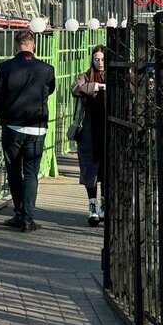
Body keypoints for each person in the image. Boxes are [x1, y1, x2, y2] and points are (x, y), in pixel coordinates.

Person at [0, 29, 56, 232]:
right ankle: (28, 219)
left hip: (12, 127)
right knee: (31, 173)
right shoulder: (46, 69)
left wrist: (4, 120)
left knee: (13, 171)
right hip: (36, 129)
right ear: (33, 45)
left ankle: (18, 213)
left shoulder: (6, 67)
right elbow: (50, 89)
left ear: (15, 46)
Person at [71, 46, 106, 226]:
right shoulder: (86, 76)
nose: (99, 63)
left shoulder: (115, 75)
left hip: (107, 129)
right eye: (96, 59)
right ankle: (92, 205)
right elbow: (75, 89)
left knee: (106, 167)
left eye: (102, 59)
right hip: (89, 129)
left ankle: (104, 204)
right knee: (89, 167)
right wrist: (97, 86)